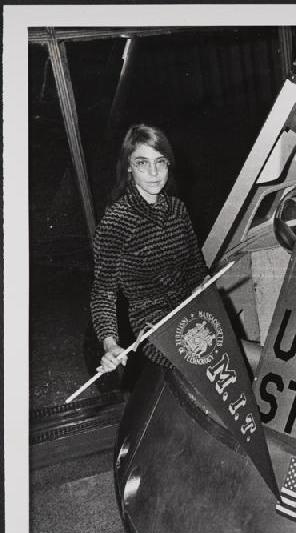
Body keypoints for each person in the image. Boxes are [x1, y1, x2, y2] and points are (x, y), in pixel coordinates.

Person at [91, 123, 207, 375]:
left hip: (192, 309)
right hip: (152, 325)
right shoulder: (116, 222)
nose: (154, 173)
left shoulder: (177, 209)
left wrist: (204, 286)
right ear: (129, 167)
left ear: (168, 164)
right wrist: (110, 343)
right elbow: (103, 292)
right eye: (143, 163)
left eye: (161, 162)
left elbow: (195, 268)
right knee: (205, 365)